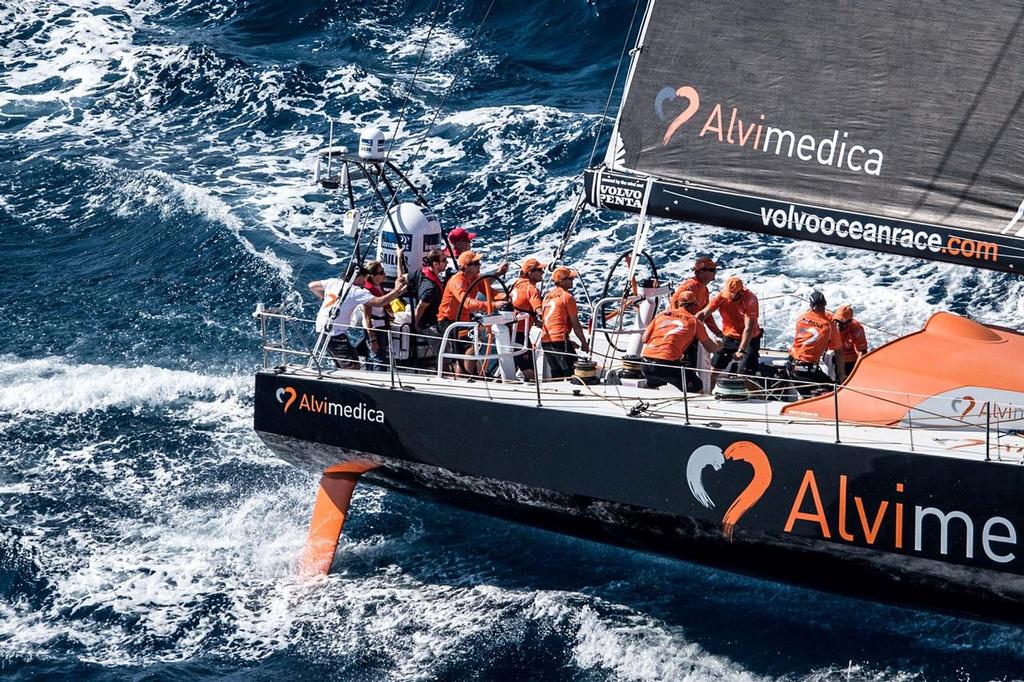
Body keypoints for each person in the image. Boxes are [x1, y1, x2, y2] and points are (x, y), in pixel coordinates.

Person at [309, 263, 408, 369]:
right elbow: (379, 302)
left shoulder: (333, 282)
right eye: (363, 276)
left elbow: (312, 286)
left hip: (321, 329)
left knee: (344, 362)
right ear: (356, 277)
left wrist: (325, 299)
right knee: (353, 366)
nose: (365, 279)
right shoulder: (355, 292)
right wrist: (396, 290)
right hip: (334, 334)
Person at [437, 250, 506, 377]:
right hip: (449, 321)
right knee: (468, 349)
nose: (480, 265)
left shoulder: (474, 278)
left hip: (463, 320)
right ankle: (466, 378)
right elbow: (467, 303)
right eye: (476, 263)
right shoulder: (457, 281)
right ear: (466, 266)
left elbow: (490, 292)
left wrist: (506, 296)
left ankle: (471, 375)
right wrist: (493, 305)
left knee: (473, 346)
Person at [641, 291, 723, 392]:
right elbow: (710, 348)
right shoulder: (694, 322)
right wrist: (720, 345)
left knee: (653, 383)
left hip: (646, 364)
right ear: (692, 305)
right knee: (697, 387)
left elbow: (644, 339)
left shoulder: (661, 315)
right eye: (696, 305)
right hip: (667, 365)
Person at [696, 275, 761, 385]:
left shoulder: (750, 300)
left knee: (744, 375)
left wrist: (741, 350)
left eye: (731, 295)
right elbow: (704, 313)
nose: (728, 297)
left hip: (749, 339)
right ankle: (707, 392)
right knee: (714, 370)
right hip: (730, 337)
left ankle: (757, 393)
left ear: (740, 293)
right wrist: (689, 324)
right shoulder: (722, 296)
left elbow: (749, 328)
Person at [670, 255, 724, 372]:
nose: (715, 273)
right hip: (683, 332)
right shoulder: (690, 285)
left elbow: (706, 314)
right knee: (685, 363)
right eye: (712, 270)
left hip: (692, 332)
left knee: (691, 362)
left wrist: (717, 332)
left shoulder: (704, 290)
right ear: (701, 272)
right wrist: (681, 324)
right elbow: (675, 301)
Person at [787, 290, 844, 392]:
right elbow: (838, 351)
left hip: (790, 365)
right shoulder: (829, 326)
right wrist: (841, 375)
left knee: (806, 393)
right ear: (825, 304)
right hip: (806, 371)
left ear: (811, 305)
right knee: (834, 392)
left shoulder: (801, 318)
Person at [540, 266, 590, 379]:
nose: (573, 280)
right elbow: (576, 324)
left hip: (546, 341)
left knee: (557, 375)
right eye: (570, 279)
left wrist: (568, 341)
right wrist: (584, 342)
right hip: (559, 341)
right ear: (562, 281)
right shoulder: (567, 297)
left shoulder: (547, 297)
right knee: (573, 374)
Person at [510, 257, 545, 381]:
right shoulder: (531, 289)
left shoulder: (516, 284)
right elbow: (539, 310)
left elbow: (522, 307)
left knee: (511, 367)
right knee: (530, 373)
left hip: (509, 332)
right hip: (520, 335)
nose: (542, 273)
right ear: (530, 273)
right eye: (539, 270)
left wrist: (535, 321)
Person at [445, 226, 509, 277]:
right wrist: (498, 273)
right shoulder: (456, 266)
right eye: (467, 240)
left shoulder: (447, 258)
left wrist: (499, 272)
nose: (470, 242)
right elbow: (477, 284)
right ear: (459, 244)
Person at [833, 304, 868, 378]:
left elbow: (861, 351)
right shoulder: (831, 324)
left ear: (849, 321)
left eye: (842, 321)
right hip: (835, 358)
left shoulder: (856, 329)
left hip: (851, 362)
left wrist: (857, 370)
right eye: (837, 319)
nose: (838, 323)